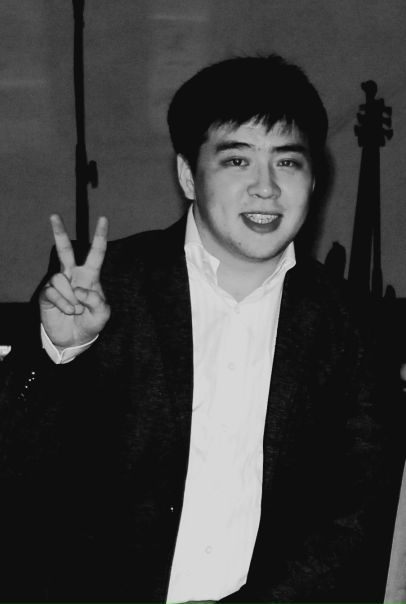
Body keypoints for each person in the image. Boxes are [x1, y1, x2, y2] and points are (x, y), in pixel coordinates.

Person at [0, 54, 383, 603]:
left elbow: (353, 515)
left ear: (314, 177)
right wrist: (58, 352)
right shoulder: (105, 288)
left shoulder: (345, 320)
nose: (266, 188)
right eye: (237, 160)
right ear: (187, 175)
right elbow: (20, 471)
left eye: (287, 162)